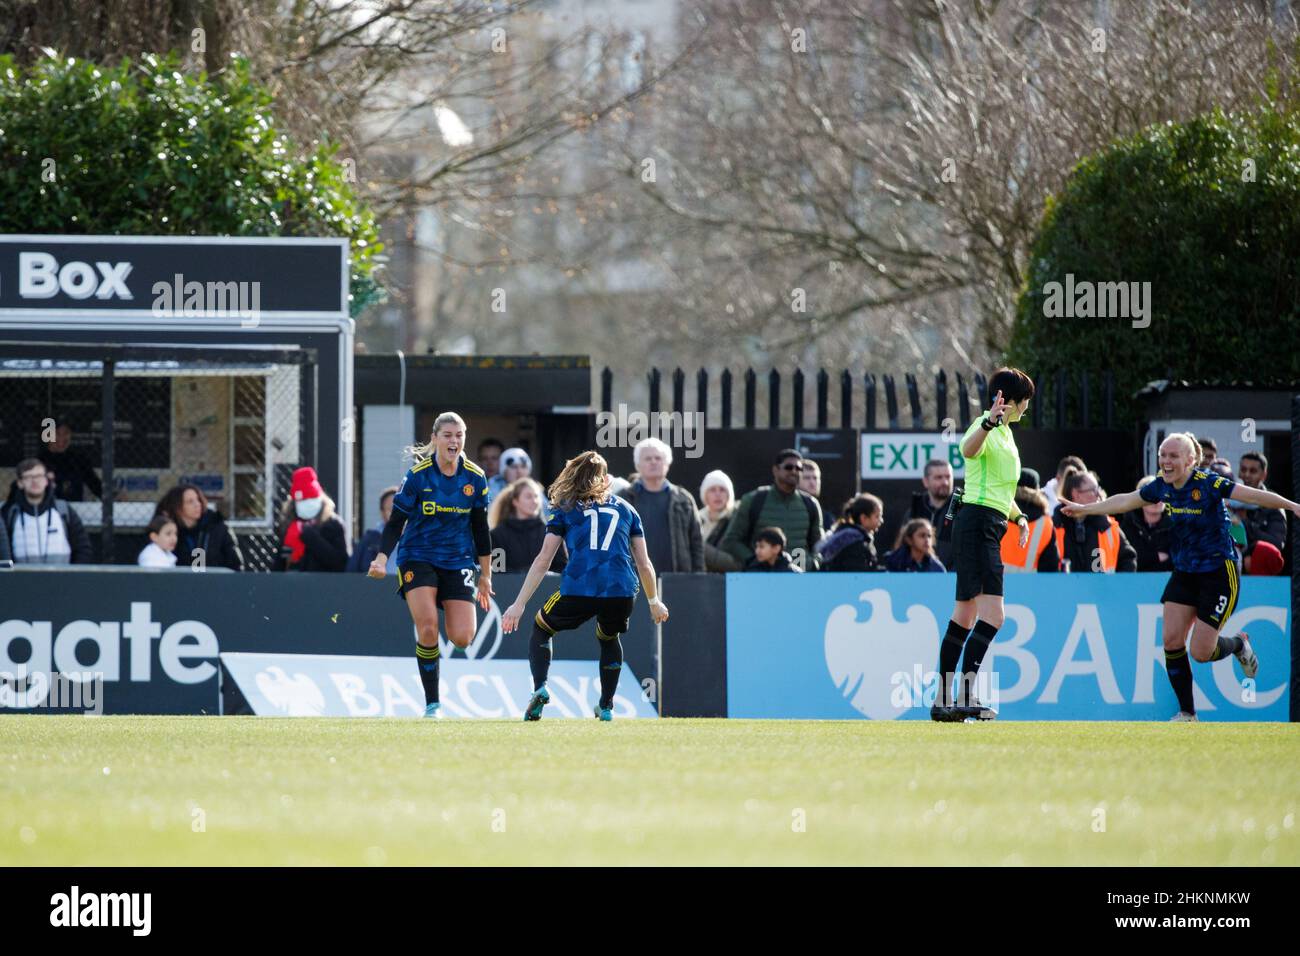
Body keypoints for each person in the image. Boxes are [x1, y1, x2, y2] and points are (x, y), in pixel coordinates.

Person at [1060, 432, 1300, 721]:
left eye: (1173, 456)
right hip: (1185, 571)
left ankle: (1238, 643)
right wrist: (1086, 508)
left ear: (1190, 460)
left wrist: (1292, 505)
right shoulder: (1161, 487)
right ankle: (1188, 713)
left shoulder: (1209, 483)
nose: (1166, 460)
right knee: (1171, 639)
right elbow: (1126, 501)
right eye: (1163, 455)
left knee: (1200, 651)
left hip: (1218, 572)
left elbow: (1253, 495)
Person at [502, 450, 669, 722]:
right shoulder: (628, 509)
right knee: (608, 638)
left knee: (541, 627)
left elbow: (544, 560)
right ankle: (606, 706)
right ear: (605, 479)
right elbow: (644, 563)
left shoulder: (565, 508)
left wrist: (518, 604)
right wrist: (654, 601)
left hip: (580, 587)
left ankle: (540, 687)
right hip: (621, 590)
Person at [367, 412, 494, 719]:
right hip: (418, 556)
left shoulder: (475, 478)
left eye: (459, 435)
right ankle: (432, 704)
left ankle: (441, 595)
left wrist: (486, 576)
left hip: (458, 559)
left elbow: (480, 529)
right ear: (435, 438)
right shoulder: (418, 475)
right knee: (427, 628)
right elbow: (397, 521)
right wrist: (383, 558)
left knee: (463, 638)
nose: (454, 441)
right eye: (448, 435)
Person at [934, 368, 1035, 723]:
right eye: (1025, 402)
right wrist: (989, 423)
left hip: (985, 522)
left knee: (964, 615)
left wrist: (1019, 517)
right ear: (1012, 401)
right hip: (977, 524)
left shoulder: (1006, 434)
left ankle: (943, 700)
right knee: (994, 616)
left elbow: (999, 490)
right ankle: (965, 694)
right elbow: (966, 449)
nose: (1027, 408)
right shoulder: (988, 426)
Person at [720, 449, 824, 570]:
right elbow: (730, 541)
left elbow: (820, 545)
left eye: (799, 468)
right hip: (761, 578)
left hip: (800, 578)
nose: (794, 471)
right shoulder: (754, 500)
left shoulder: (810, 504)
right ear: (775, 470)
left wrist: (813, 563)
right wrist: (756, 560)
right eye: (789, 467)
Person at [617, 437, 704, 574]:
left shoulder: (684, 499)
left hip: (676, 582)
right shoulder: (624, 499)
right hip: (633, 582)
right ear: (638, 465)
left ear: (667, 464)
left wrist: (699, 577)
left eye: (658, 458)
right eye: (648, 458)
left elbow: (696, 543)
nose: (653, 462)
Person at [2, 458, 93, 564]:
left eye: (39, 476)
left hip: (62, 578)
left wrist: (72, 576)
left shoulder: (63, 510)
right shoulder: (10, 514)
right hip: (22, 578)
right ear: (20, 483)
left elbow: (83, 548)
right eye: (28, 477)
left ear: (46, 480)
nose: (35, 481)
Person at [1051, 470, 1137, 573]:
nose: (1098, 494)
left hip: (1102, 589)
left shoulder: (1107, 526)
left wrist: (1117, 587)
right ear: (1076, 494)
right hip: (1064, 589)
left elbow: (1128, 559)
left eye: (1098, 489)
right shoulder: (1053, 527)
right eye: (1093, 490)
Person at [275, 467, 349, 572]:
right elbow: (278, 566)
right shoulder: (290, 527)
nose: (307, 503)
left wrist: (309, 535)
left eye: (311, 498)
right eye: (303, 500)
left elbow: (340, 562)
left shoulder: (334, 525)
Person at [157, 483, 243, 571]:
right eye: (190, 501)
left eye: (198, 499)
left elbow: (236, 565)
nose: (197, 504)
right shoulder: (167, 531)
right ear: (177, 507)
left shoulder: (218, 528)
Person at [489, 477, 565, 573]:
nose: (534, 501)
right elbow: (497, 571)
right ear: (515, 501)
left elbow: (561, 569)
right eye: (528, 497)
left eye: (536, 496)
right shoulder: (497, 535)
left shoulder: (552, 533)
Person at [999, 468, 1059, 573]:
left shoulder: (998, 512)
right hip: (1030, 587)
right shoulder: (1046, 523)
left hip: (993, 584)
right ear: (1037, 490)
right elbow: (1050, 566)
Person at [1232, 451, 1287, 558]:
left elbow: (1276, 544)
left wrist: (1245, 522)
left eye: (1253, 471)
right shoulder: (1230, 499)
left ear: (1263, 475)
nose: (1246, 475)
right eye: (1243, 470)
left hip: (1258, 569)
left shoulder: (1273, 504)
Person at [817, 493, 884, 572]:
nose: (881, 521)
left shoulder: (860, 539)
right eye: (877, 516)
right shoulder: (854, 543)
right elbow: (857, 574)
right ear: (864, 518)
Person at [1119, 476, 1173, 573]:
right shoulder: (1128, 525)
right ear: (1139, 500)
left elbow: (1178, 559)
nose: (1157, 501)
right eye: (1152, 496)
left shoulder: (1176, 524)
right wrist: (1155, 557)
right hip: (1136, 582)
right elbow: (1127, 559)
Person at [39, 423, 103, 502]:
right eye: (57, 433)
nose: (61, 437)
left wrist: (113, 497)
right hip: (46, 507)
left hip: (74, 507)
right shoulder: (39, 461)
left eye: (66, 433)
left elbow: (94, 483)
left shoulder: (79, 459)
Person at [910, 459, 955, 566]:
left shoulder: (963, 509)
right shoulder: (916, 510)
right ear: (925, 481)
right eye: (938, 477)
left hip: (955, 577)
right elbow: (903, 545)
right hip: (919, 576)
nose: (945, 482)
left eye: (948, 477)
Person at [346, 486, 399, 574]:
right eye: (391, 509)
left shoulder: (418, 541)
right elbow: (351, 573)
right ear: (382, 513)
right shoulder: (369, 540)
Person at [698, 470, 741, 572]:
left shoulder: (737, 520)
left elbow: (737, 562)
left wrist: (699, 547)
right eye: (712, 490)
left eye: (722, 490)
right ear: (705, 495)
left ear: (729, 494)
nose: (718, 494)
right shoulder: (695, 519)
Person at [799, 460, 836, 531]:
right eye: (807, 478)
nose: (812, 482)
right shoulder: (790, 510)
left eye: (815, 478)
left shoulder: (827, 518)